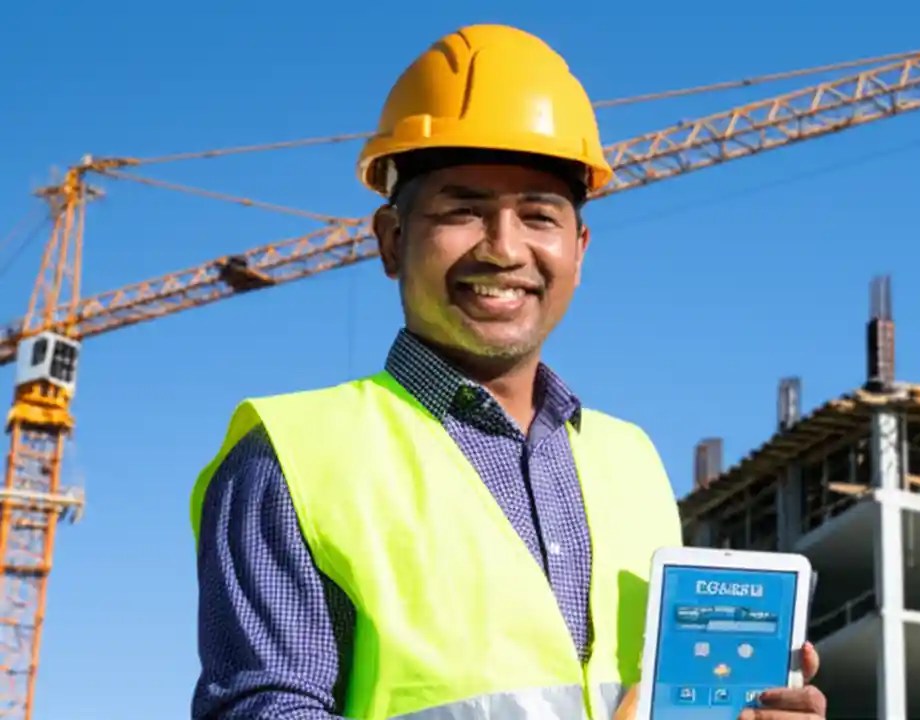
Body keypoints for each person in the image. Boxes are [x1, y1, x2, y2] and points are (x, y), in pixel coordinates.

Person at [189, 23, 829, 720]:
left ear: (578, 250)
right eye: (463, 210)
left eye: (538, 215)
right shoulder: (293, 456)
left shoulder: (632, 461)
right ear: (392, 240)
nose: (503, 248)